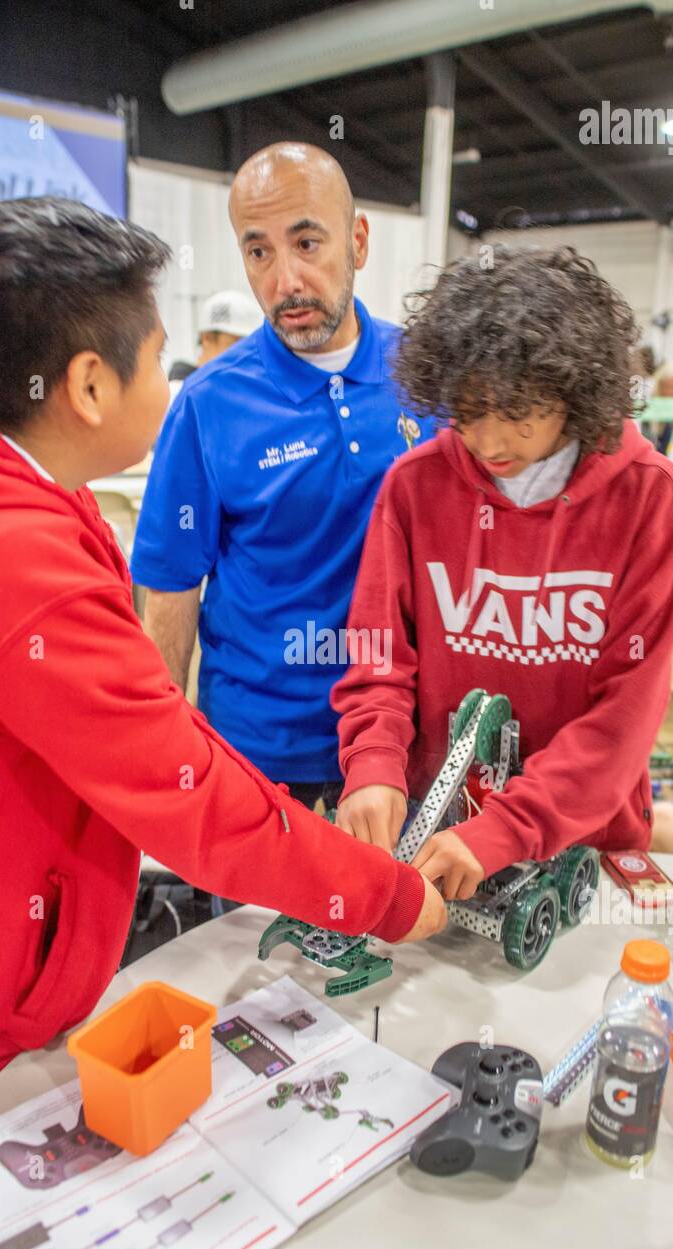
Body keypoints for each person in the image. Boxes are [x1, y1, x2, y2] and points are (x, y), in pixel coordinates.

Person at [0, 197, 445, 1158]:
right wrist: (388, 897)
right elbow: (190, 795)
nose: (174, 378)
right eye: (158, 358)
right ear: (88, 385)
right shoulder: (12, 570)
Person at [332, 247, 673, 898]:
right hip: (438, 827)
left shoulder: (652, 502)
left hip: (585, 843)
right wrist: (373, 762)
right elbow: (377, 656)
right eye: (469, 412)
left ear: (573, 390)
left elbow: (625, 715)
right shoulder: (415, 488)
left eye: (518, 412)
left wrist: (507, 828)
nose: (490, 440)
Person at [130, 142, 436, 819]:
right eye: (259, 252)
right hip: (258, 756)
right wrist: (164, 753)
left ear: (358, 241)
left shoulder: (428, 377)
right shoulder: (210, 404)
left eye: (307, 242)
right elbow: (172, 589)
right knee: (254, 932)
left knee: (407, 929)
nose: (286, 280)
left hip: (403, 750)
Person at [167, 288, 261, 387]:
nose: (245, 355)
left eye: (250, 347)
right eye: (237, 344)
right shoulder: (180, 393)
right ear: (207, 339)